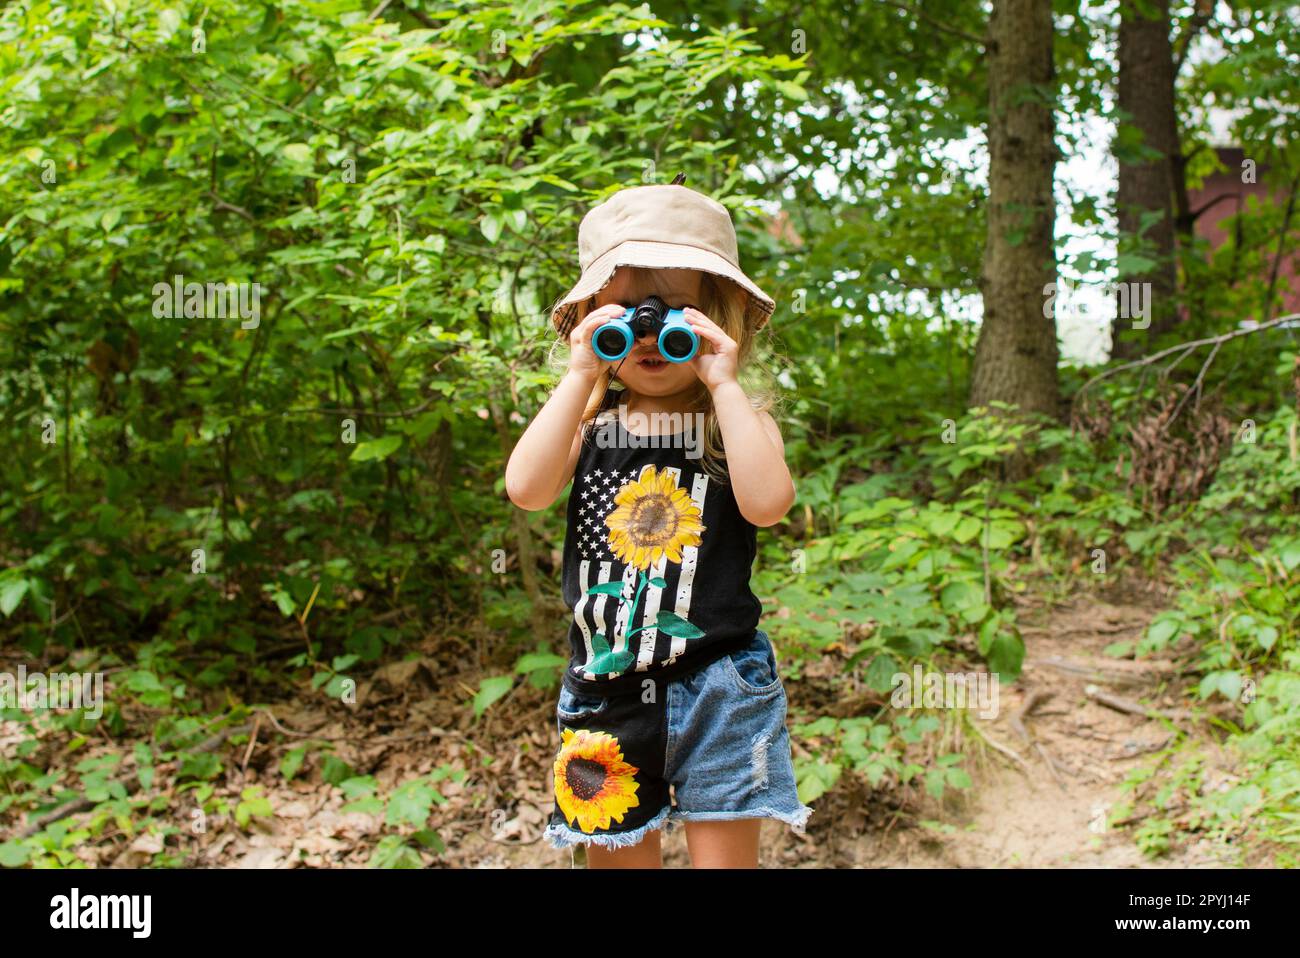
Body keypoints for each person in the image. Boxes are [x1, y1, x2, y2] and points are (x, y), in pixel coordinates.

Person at [505, 181, 812, 868]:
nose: (649, 332)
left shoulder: (737, 423)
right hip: (606, 684)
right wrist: (581, 374)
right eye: (624, 315)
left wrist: (725, 383)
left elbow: (768, 504)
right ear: (588, 319)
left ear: (718, 318)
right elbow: (525, 489)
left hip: (722, 684)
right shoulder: (588, 427)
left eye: (676, 313)